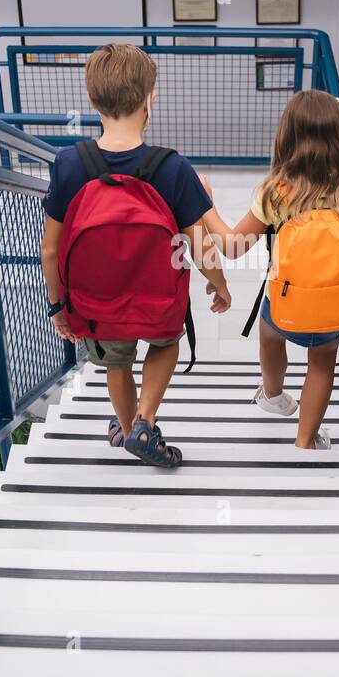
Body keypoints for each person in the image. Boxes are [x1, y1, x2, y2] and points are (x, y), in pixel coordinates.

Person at [40, 44, 230, 468]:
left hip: (96, 305)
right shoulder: (172, 167)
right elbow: (199, 246)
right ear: (151, 97)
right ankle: (145, 420)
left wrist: (58, 306)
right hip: (159, 301)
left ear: (91, 101)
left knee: (116, 365)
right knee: (165, 344)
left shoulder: (69, 165)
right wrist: (220, 286)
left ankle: (128, 430)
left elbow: (51, 250)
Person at [199, 90, 339, 449]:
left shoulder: (275, 192)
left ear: (287, 137)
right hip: (335, 309)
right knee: (322, 364)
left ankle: (273, 395)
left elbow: (231, 248)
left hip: (285, 304)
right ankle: (304, 443)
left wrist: (207, 205)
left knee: (270, 335)